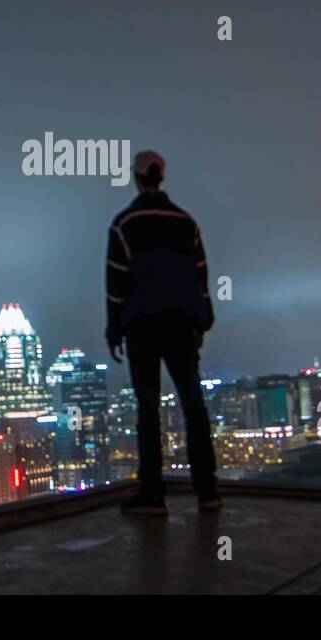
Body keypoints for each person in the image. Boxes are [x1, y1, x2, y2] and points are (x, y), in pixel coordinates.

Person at [106, 150, 220, 514]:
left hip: (141, 324)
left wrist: (113, 329)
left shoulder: (124, 224)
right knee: (193, 404)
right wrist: (203, 321)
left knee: (147, 407)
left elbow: (116, 284)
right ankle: (208, 492)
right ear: (162, 177)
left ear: (136, 177)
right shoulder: (186, 223)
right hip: (181, 323)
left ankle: (152, 494)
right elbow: (200, 275)